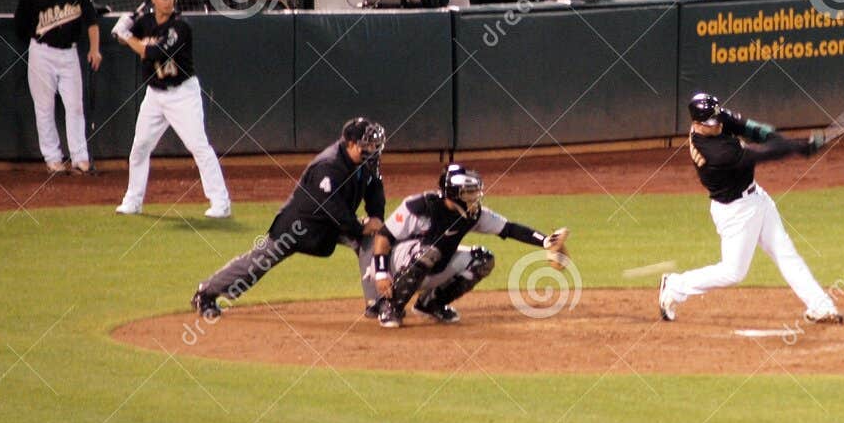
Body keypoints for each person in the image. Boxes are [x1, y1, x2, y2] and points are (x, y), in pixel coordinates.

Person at [656, 93, 838, 325]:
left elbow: (752, 129)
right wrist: (799, 148)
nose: (718, 124)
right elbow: (763, 154)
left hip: (757, 197)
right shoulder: (715, 153)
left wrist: (792, 142)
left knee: (785, 253)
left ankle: (820, 306)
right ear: (697, 124)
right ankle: (675, 285)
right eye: (712, 122)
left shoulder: (715, 118)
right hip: (735, 211)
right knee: (733, 272)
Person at [193, 119, 387, 320]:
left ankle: (377, 302)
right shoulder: (328, 165)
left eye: (374, 146)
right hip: (298, 226)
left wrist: (376, 218)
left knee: (373, 239)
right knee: (259, 261)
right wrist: (358, 227)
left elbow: (375, 191)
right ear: (351, 144)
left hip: (335, 223)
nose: (373, 150)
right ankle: (206, 293)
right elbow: (332, 208)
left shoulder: (366, 162)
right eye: (368, 145)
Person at [371, 165, 569, 328]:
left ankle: (430, 304)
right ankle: (390, 307)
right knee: (429, 252)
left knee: (482, 259)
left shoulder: (473, 214)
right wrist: (381, 273)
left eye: (475, 191)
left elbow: (509, 228)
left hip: (433, 264)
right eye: (468, 192)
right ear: (454, 193)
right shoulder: (419, 206)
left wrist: (546, 241)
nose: (474, 196)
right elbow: (383, 236)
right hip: (393, 267)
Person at [110, 0, 231, 219]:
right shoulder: (145, 21)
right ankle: (133, 200)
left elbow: (153, 52)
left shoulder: (180, 26)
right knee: (140, 147)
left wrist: (126, 36)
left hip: (182, 94)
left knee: (198, 146)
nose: (168, 1)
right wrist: (122, 30)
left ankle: (221, 202)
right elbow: (121, 37)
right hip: (155, 94)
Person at [14, 0, 101, 174]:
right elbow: (21, 30)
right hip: (41, 52)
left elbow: (92, 21)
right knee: (44, 107)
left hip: (69, 53)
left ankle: (79, 158)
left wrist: (95, 49)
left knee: (75, 107)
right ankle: (52, 158)